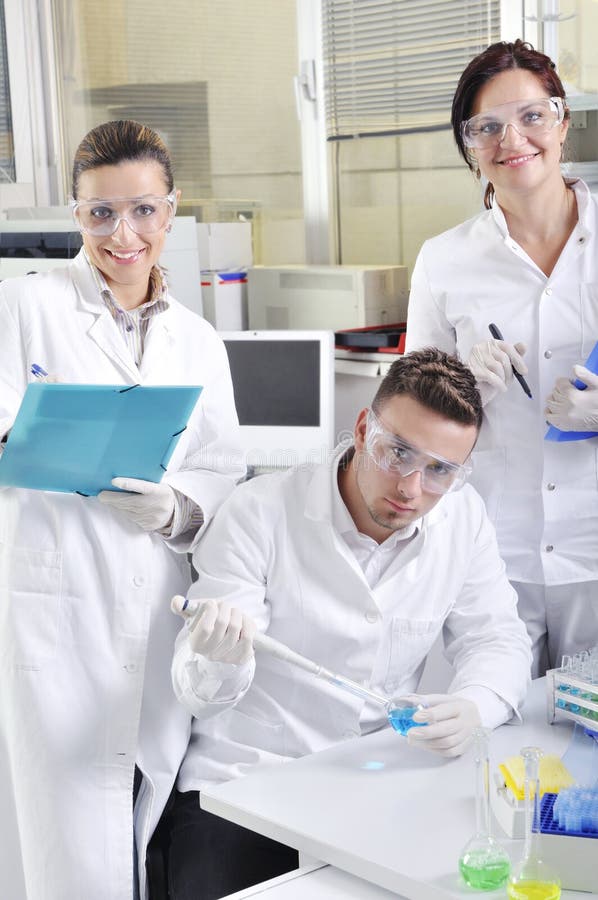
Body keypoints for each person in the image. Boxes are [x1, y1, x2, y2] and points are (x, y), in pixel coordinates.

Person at [168, 348, 532, 900]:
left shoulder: (464, 518)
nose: (412, 487)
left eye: (440, 470)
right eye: (398, 453)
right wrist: (217, 656)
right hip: (245, 784)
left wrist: (476, 704)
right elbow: (203, 697)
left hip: (374, 781)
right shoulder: (259, 512)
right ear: (364, 429)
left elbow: (497, 637)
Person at [0, 120, 244, 900]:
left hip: (153, 607)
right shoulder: (25, 307)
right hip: (56, 611)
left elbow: (220, 464)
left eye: (142, 211)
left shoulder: (199, 341)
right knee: (69, 848)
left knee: (142, 822)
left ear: (170, 213)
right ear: (77, 217)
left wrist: (176, 508)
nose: (123, 234)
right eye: (100, 213)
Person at [405, 39, 598, 677]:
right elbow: (407, 419)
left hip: (594, 553)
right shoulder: (445, 260)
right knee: (496, 744)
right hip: (495, 556)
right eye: (487, 126)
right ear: (470, 145)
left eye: (532, 116)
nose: (511, 139)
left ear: (564, 121)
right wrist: (462, 391)